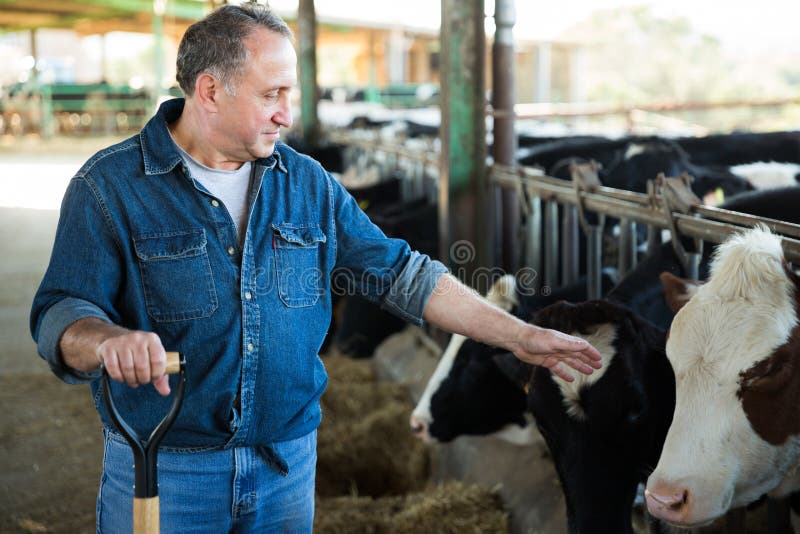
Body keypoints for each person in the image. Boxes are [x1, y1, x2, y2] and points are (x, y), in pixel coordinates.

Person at [30, 4, 602, 533]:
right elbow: (62, 311)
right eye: (272, 93)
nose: (288, 113)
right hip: (166, 469)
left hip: (285, 468)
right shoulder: (109, 187)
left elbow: (403, 274)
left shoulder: (306, 183)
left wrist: (519, 335)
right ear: (209, 90)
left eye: (291, 92)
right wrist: (107, 342)